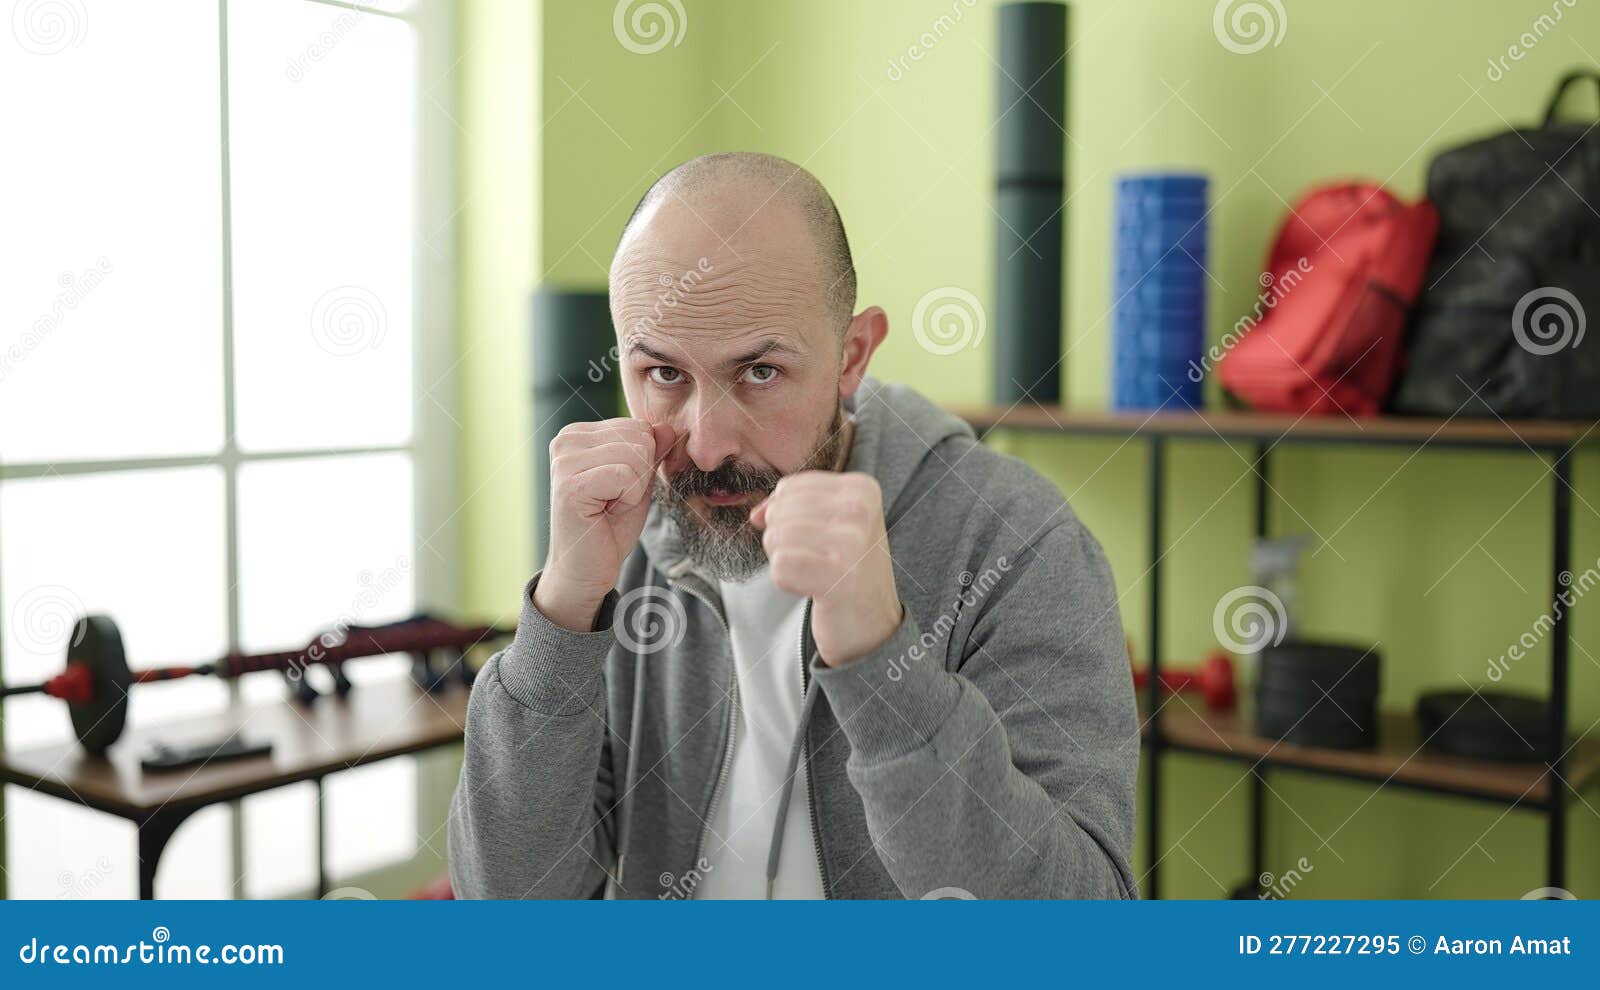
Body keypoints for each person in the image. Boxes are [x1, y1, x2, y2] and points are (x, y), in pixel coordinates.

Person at [447, 152, 1138, 899]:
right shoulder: (631, 539)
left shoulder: (1020, 544)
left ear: (852, 357)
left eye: (760, 373)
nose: (706, 444)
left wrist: (882, 662)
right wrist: (559, 617)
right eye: (664, 375)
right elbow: (512, 904)